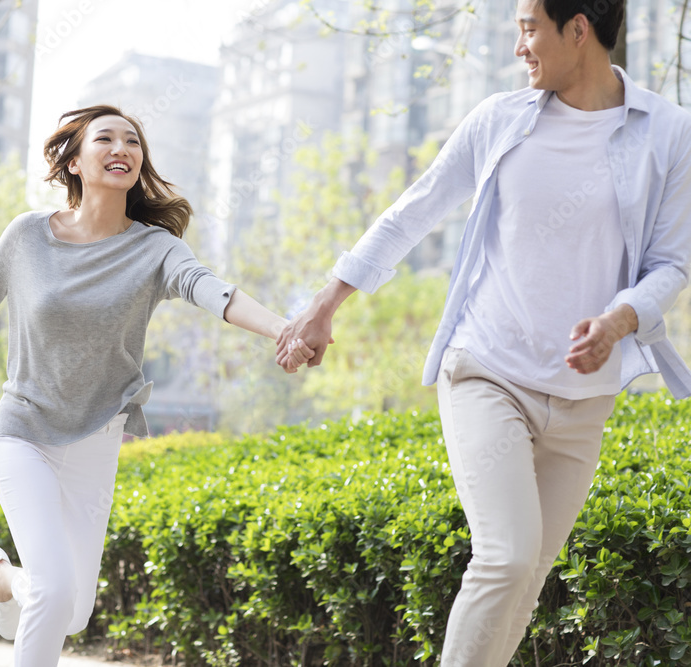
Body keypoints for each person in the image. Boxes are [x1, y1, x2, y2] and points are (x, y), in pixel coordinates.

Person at [277, 0, 691, 664]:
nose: (519, 46)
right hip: (487, 370)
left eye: (529, 28)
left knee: (523, 584)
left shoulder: (669, 131)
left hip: (584, 399)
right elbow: (414, 209)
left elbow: (670, 262)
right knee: (507, 555)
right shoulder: (500, 119)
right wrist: (327, 302)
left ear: (577, 29)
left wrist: (619, 320)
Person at [0, 105, 314, 666]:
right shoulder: (26, 237)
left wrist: (283, 328)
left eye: (132, 141)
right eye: (105, 138)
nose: (122, 148)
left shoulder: (155, 248)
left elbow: (213, 290)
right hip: (24, 432)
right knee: (56, 593)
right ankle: (21, 583)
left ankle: (3, 577)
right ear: (75, 160)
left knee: (75, 612)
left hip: (95, 440)